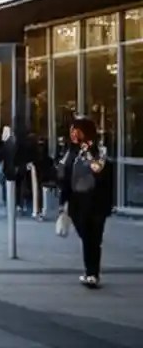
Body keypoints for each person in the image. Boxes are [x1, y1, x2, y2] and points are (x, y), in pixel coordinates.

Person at [58, 117, 114, 288]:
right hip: (77, 201)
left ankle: (92, 273)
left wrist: (88, 152)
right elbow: (65, 175)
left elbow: (99, 169)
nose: (73, 133)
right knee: (86, 236)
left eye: (77, 130)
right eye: (72, 129)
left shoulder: (98, 151)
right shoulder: (71, 151)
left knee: (94, 237)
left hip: (96, 200)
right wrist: (63, 202)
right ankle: (90, 271)